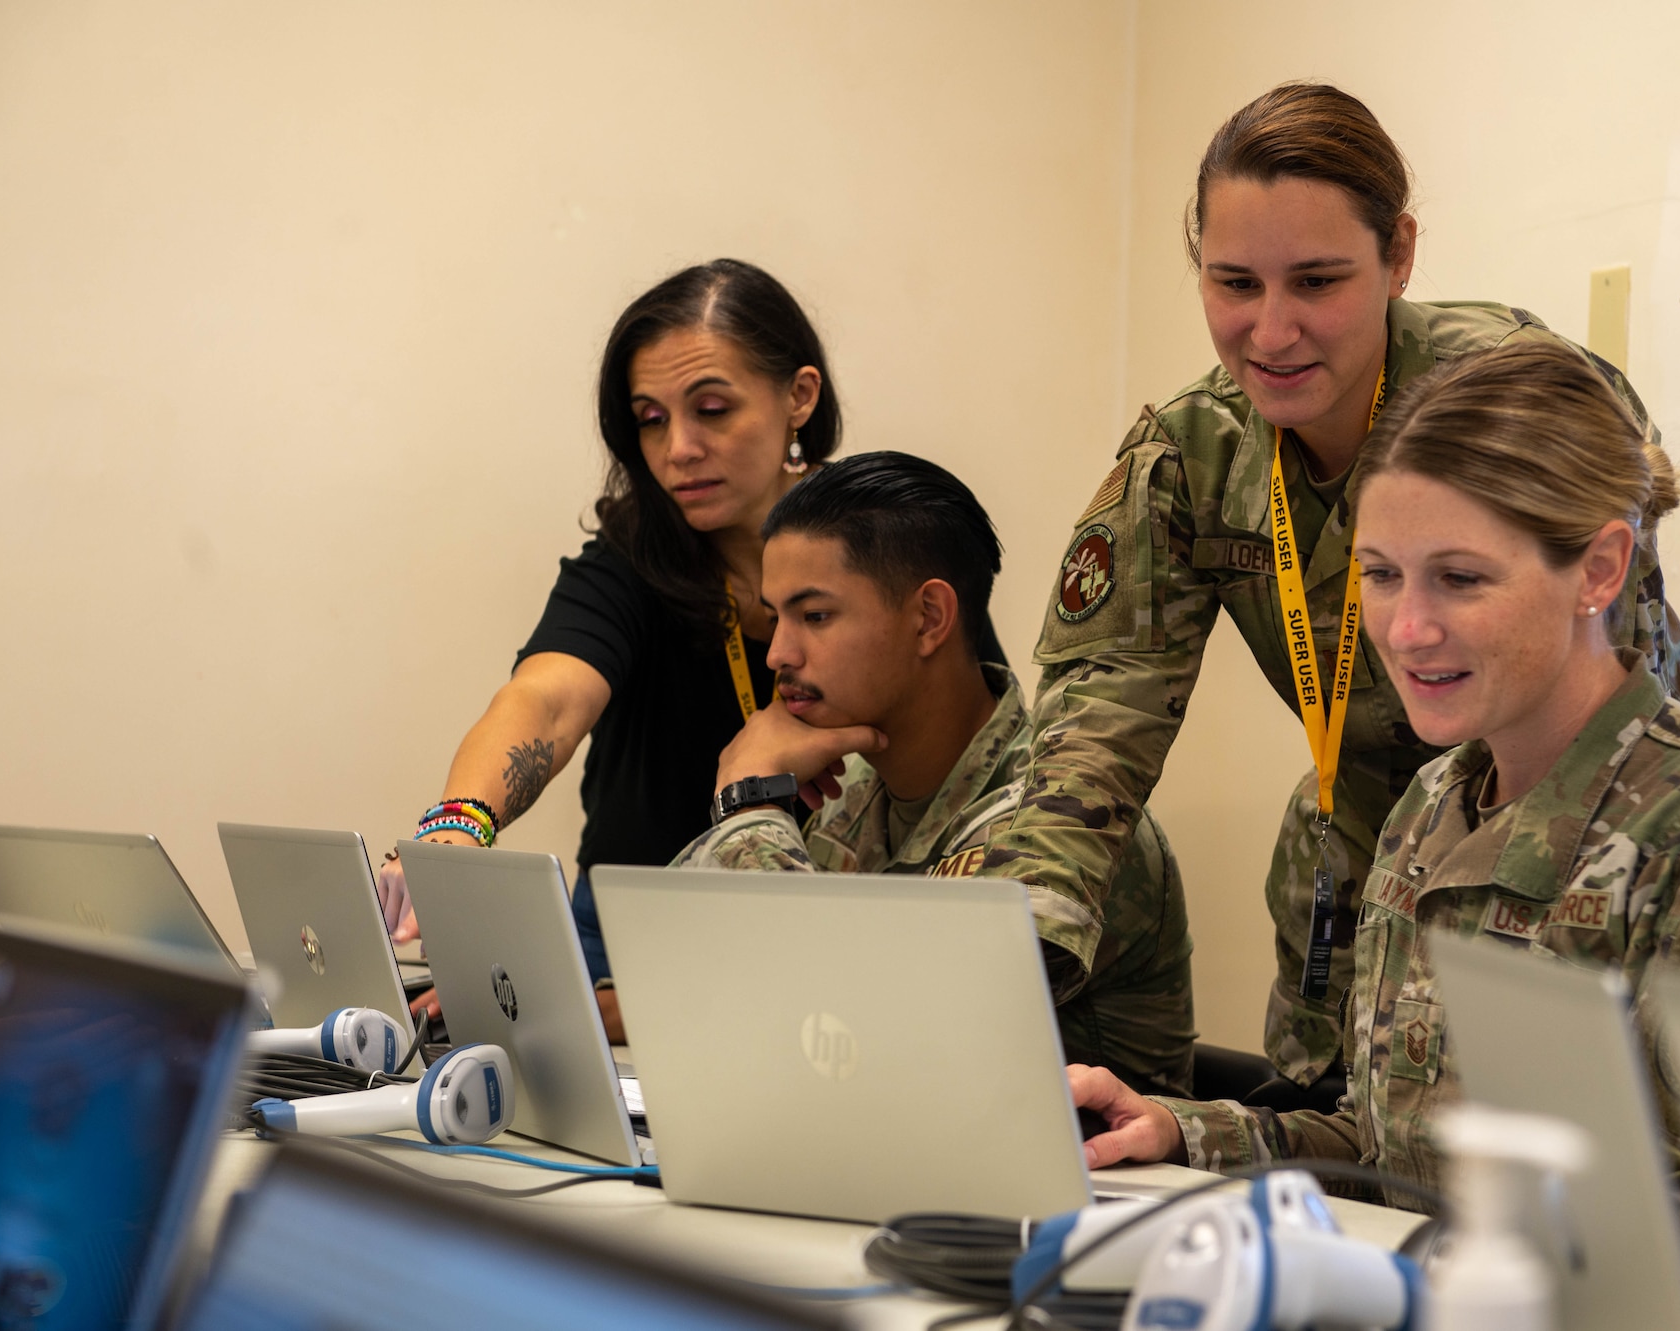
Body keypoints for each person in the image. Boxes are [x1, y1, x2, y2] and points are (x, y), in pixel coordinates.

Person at [1067, 342, 1680, 1254]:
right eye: (1382, 573)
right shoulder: (1433, 806)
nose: (1406, 627)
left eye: (1460, 578)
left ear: (1599, 570)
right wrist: (1180, 1130)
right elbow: (1395, 1154)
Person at [977, 82, 1680, 1106]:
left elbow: (1605, 690)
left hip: (1604, 822)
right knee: (1335, 1123)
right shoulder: (1193, 450)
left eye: (1317, 281)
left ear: (1399, 256)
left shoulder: (1509, 395)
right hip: (1366, 831)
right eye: (1233, 283)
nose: (1271, 330)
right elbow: (1094, 716)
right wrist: (1005, 963)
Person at [376, 258, 840, 1040]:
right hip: (615, 949)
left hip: (821, 952)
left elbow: (961, 730)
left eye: (712, 409)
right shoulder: (635, 554)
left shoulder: (885, 543)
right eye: (651, 418)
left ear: (799, 395)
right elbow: (546, 700)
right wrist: (458, 827)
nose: (678, 448)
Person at [673, 451, 1198, 1096]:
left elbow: (874, 1028)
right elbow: (701, 989)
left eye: (813, 616)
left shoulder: (1058, 814)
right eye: (775, 617)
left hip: (1099, 1186)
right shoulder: (857, 795)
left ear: (928, 618)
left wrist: (748, 803)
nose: (778, 653)